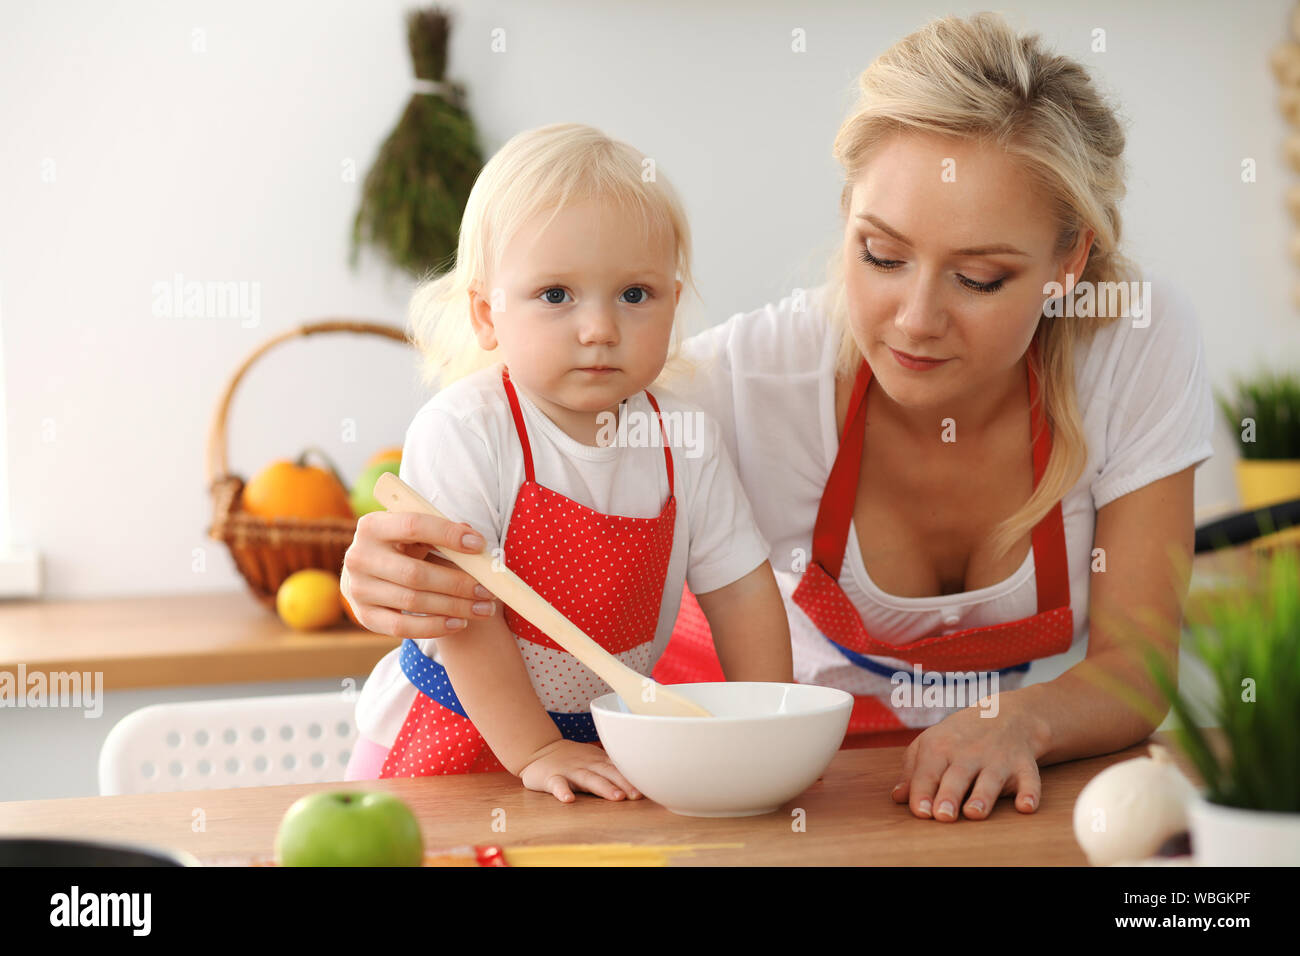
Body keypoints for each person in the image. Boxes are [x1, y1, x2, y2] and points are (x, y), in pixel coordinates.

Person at [343, 12, 1215, 822]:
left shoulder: (1133, 344)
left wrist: (1021, 722)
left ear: (1071, 261)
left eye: (980, 278)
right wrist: (384, 572)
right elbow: (523, 431)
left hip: (981, 784)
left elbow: (1137, 671)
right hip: (744, 770)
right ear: (846, 217)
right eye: (881, 254)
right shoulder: (735, 381)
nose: (915, 317)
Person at [342, 122, 794, 802]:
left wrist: (772, 726)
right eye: (556, 295)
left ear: (672, 304)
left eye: (634, 295)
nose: (600, 329)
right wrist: (536, 749)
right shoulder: (465, 430)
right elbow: (464, 612)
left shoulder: (686, 440)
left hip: (595, 745)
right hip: (451, 729)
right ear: (488, 315)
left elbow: (742, 592)